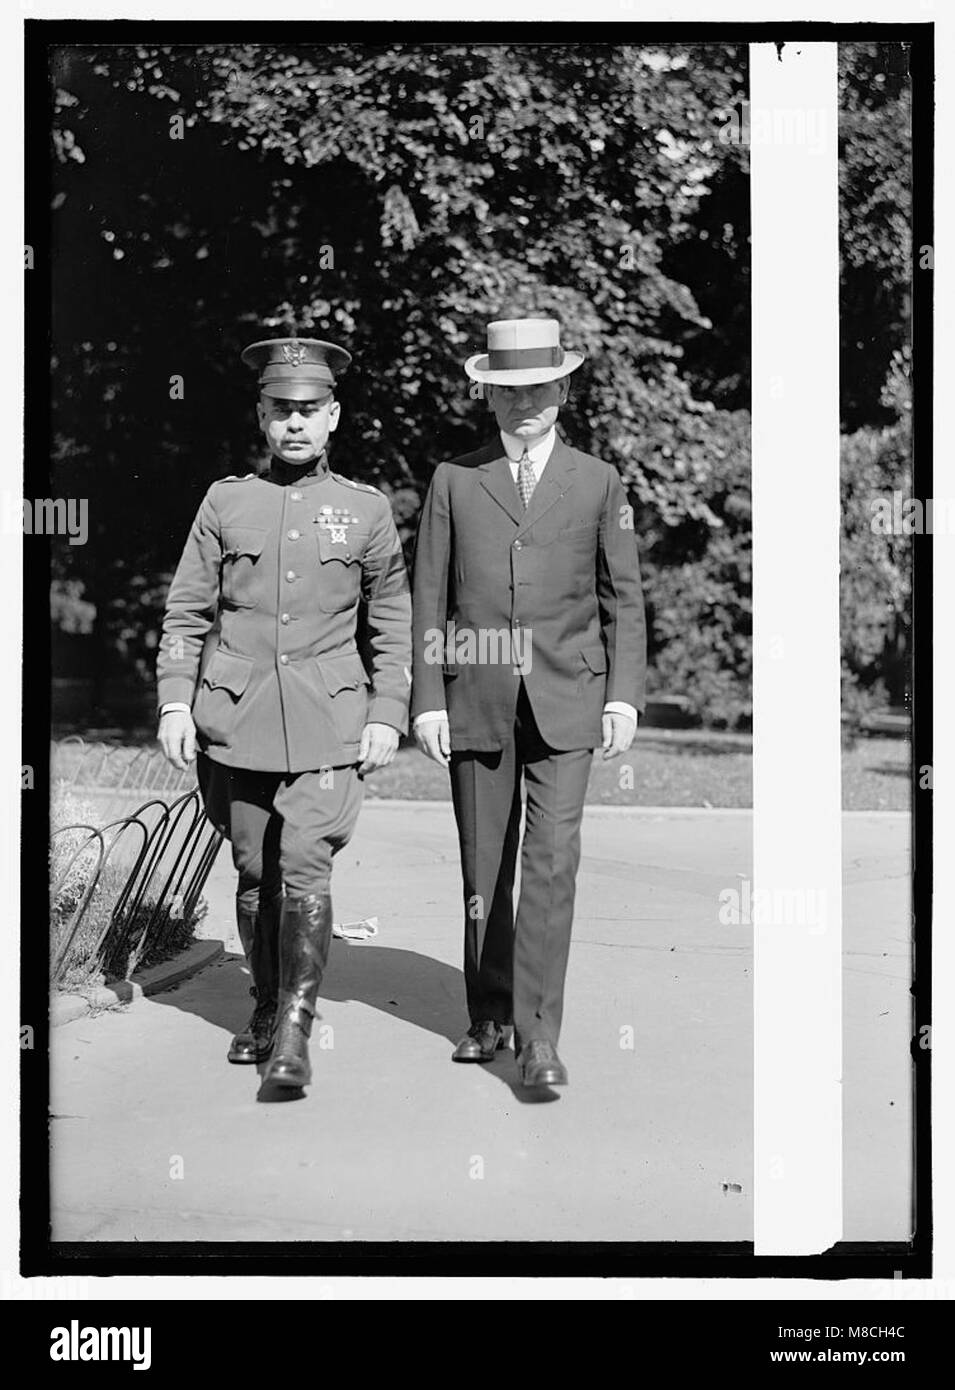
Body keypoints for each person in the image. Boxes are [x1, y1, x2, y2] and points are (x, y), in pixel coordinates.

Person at [157, 337, 411, 1093]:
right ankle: (264, 1006)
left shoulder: (363, 510)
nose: (295, 424)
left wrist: (387, 710)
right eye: (281, 411)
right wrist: (176, 699)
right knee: (252, 868)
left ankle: (295, 1031)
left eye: (309, 410)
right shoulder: (225, 500)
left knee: (304, 863)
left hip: (328, 724)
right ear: (262, 417)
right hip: (234, 722)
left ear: (332, 416)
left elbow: (392, 615)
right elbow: (186, 609)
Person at [412, 316, 647, 1090]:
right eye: (506, 391)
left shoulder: (599, 481)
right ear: (486, 394)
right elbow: (429, 599)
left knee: (550, 866)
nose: (523, 404)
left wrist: (623, 699)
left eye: (537, 388)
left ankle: (539, 1037)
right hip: (474, 694)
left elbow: (625, 600)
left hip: (569, 697)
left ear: (563, 389)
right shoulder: (453, 478)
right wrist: (428, 701)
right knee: (484, 865)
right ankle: (488, 1013)